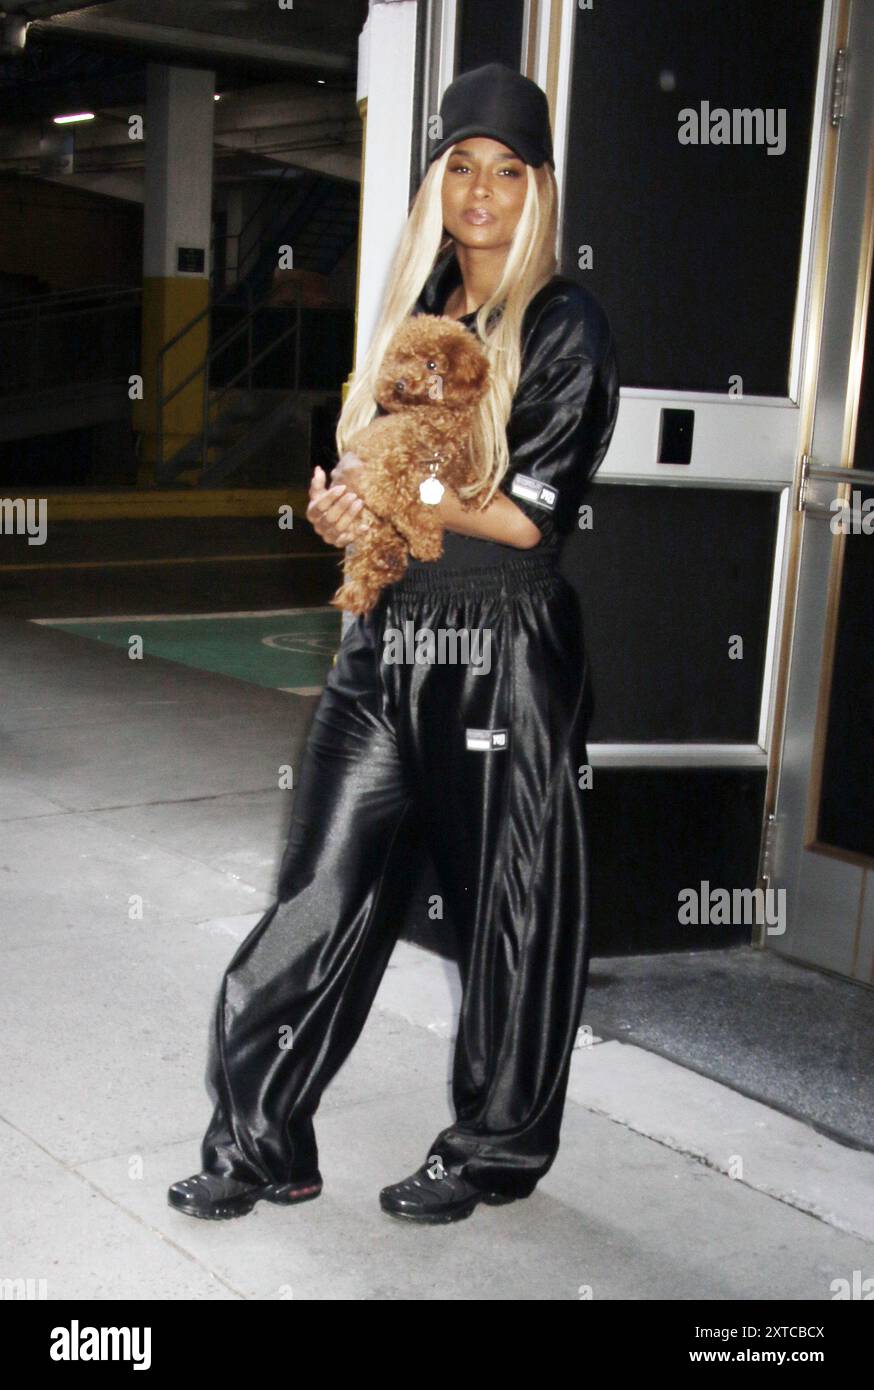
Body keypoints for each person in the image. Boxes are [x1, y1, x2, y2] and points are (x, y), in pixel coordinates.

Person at [168, 62, 620, 1226]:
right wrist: (348, 513)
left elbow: (528, 515)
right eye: (460, 164)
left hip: (502, 647)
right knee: (316, 887)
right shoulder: (416, 314)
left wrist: (403, 484)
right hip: (389, 637)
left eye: (505, 170)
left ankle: (489, 1152)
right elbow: (381, 487)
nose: (480, 190)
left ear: (538, 189)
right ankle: (261, 1139)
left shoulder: (565, 323)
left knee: (505, 914)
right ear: (436, 182)